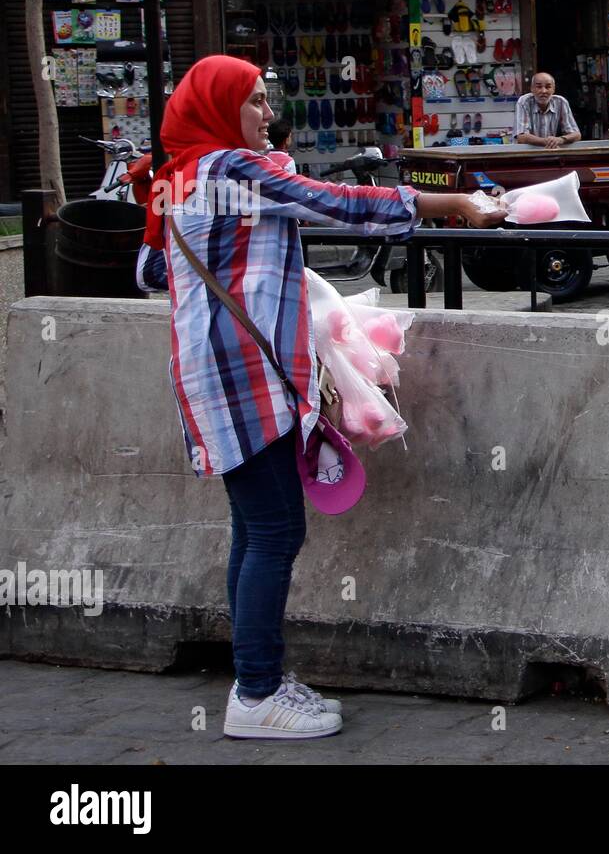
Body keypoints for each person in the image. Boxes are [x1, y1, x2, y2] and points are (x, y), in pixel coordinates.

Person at [147, 55, 506, 740]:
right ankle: (254, 696)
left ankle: (260, 679)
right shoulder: (224, 171)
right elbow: (336, 203)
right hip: (240, 377)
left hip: (224, 375)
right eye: (252, 102)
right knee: (277, 530)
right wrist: (449, 203)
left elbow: (151, 269)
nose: (267, 115)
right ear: (220, 111)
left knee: (255, 529)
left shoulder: (183, 176)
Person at [514, 72, 581, 148]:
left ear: (553, 89)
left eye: (548, 87)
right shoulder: (524, 102)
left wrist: (560, 140)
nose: (543, 91)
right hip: (527, 153)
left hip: (551, 152)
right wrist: (548, 142)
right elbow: (521, 137)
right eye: (539, 87)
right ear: (532, 89)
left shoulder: (561, 102)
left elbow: (576, 135)